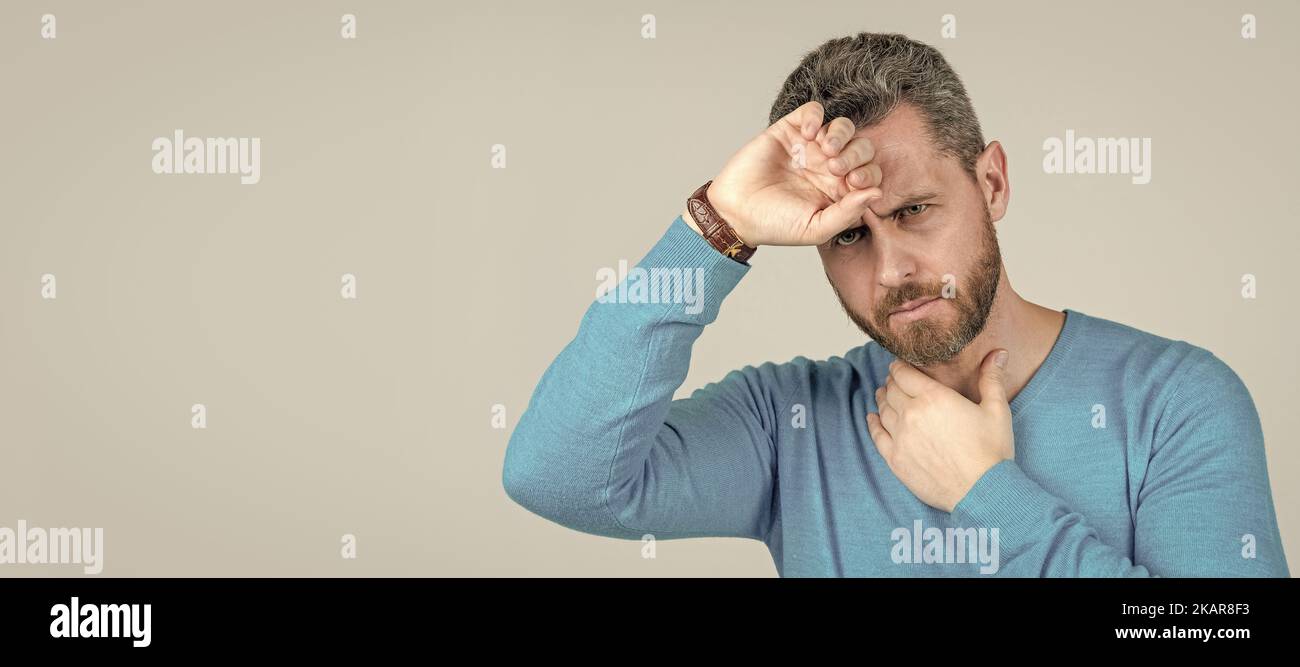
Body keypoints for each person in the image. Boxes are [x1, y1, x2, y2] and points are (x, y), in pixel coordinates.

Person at [501, 32, 1289, 577]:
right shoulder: (790, 422)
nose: (892, 271)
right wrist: (715, 225)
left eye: (914, 211)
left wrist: (989, 495)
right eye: (847, 237)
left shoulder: (1176, 400)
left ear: (992, 183)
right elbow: (557, 474)